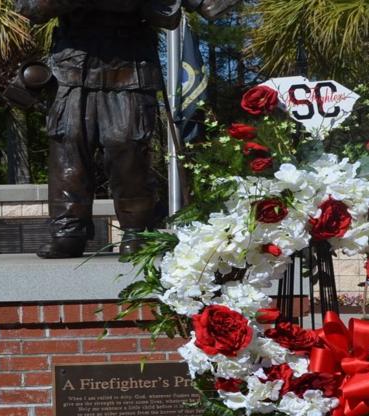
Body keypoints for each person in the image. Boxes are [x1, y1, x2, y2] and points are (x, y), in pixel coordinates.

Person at [13, 0, 235, 258]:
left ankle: (136, 231)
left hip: (131, 65)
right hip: (71, 67)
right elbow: (30, 8)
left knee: (126, 145)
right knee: (69, 143)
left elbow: (171, 16)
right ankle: (68, 231)